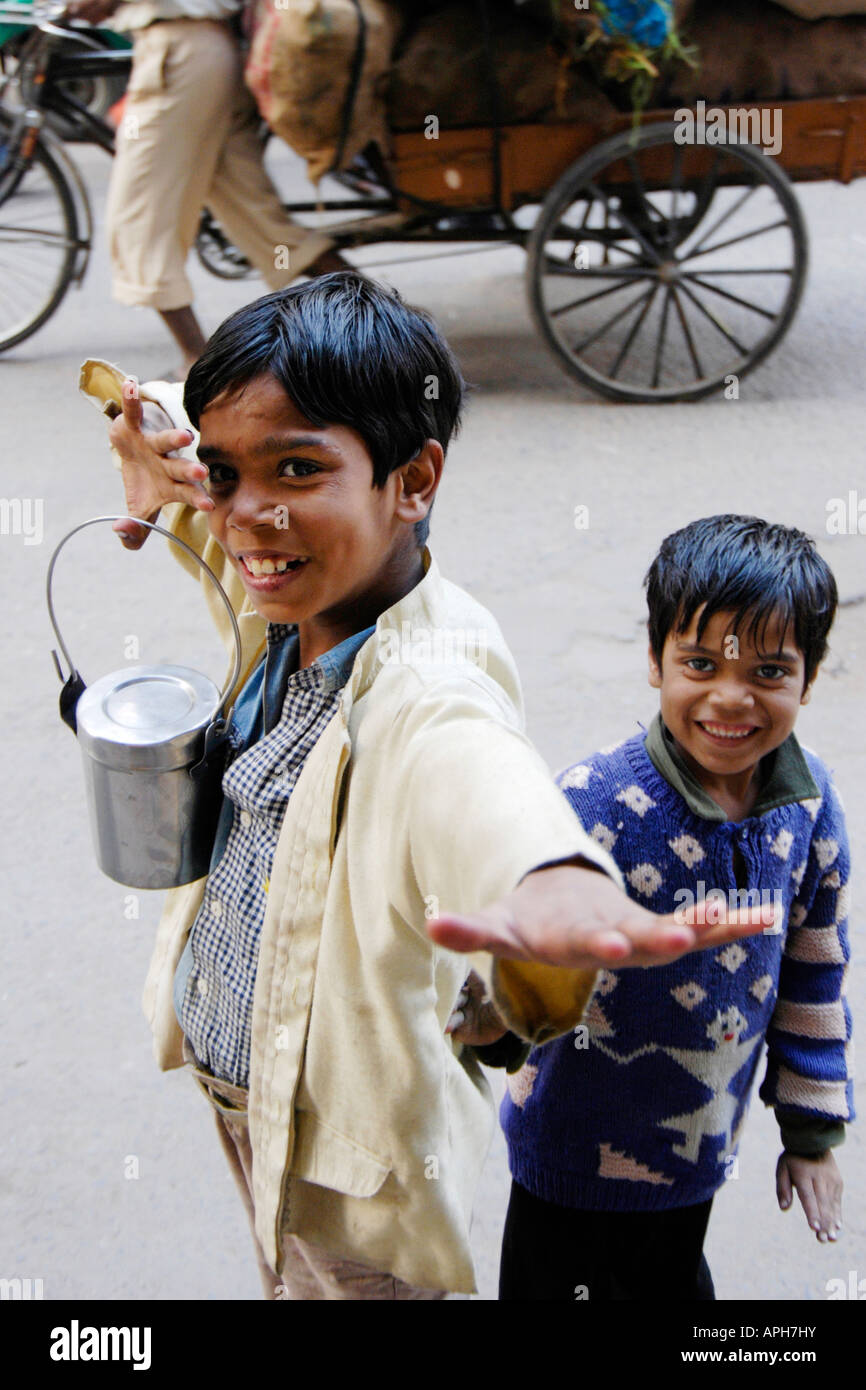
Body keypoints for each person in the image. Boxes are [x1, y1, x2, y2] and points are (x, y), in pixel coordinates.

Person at [79, 275, 770, 1299]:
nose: (249, 518)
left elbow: (473, 771)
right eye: (224, 475)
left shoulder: (426, 677)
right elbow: (211, 487)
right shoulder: (298, 590)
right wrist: (158, 460)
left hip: (345, 1167)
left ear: (412, 478)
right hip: (252, 1106)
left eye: (297, 469)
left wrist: (551, 877)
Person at [496, 515, 854, 1301]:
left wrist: (812, 1133)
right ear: (654, 661)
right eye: (700, 662)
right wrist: (501, 989)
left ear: (810, 678)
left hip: (696, 1152)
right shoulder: (592, 806)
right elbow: (514, 966)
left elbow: (815, 973)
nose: (732, 698)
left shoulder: (811, 805)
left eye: (768, 671)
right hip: (567, 1157)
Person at [67, 0, 351, 375]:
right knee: (257, 217)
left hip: (178, 53)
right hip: (210, 52)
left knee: (137, 217)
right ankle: (390, 326)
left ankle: (196, 363)